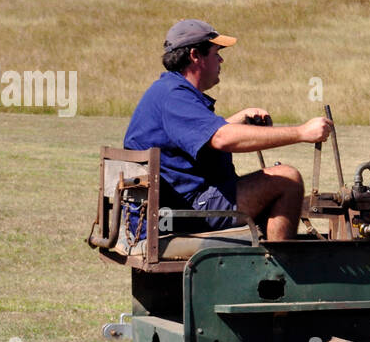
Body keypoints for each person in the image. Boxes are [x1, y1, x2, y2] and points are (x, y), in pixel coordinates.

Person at [124, 19, 333, 241]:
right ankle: (281, 270)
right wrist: (302, 132)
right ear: (195, 56)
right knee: (286, 179)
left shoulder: (168, 91)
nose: (221, 59)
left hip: (174, 206)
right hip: (181, 212)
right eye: (216, 53)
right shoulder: (174, 97)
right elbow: (222, 139)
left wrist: (237, 120)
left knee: (275, 180)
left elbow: (199, 135)